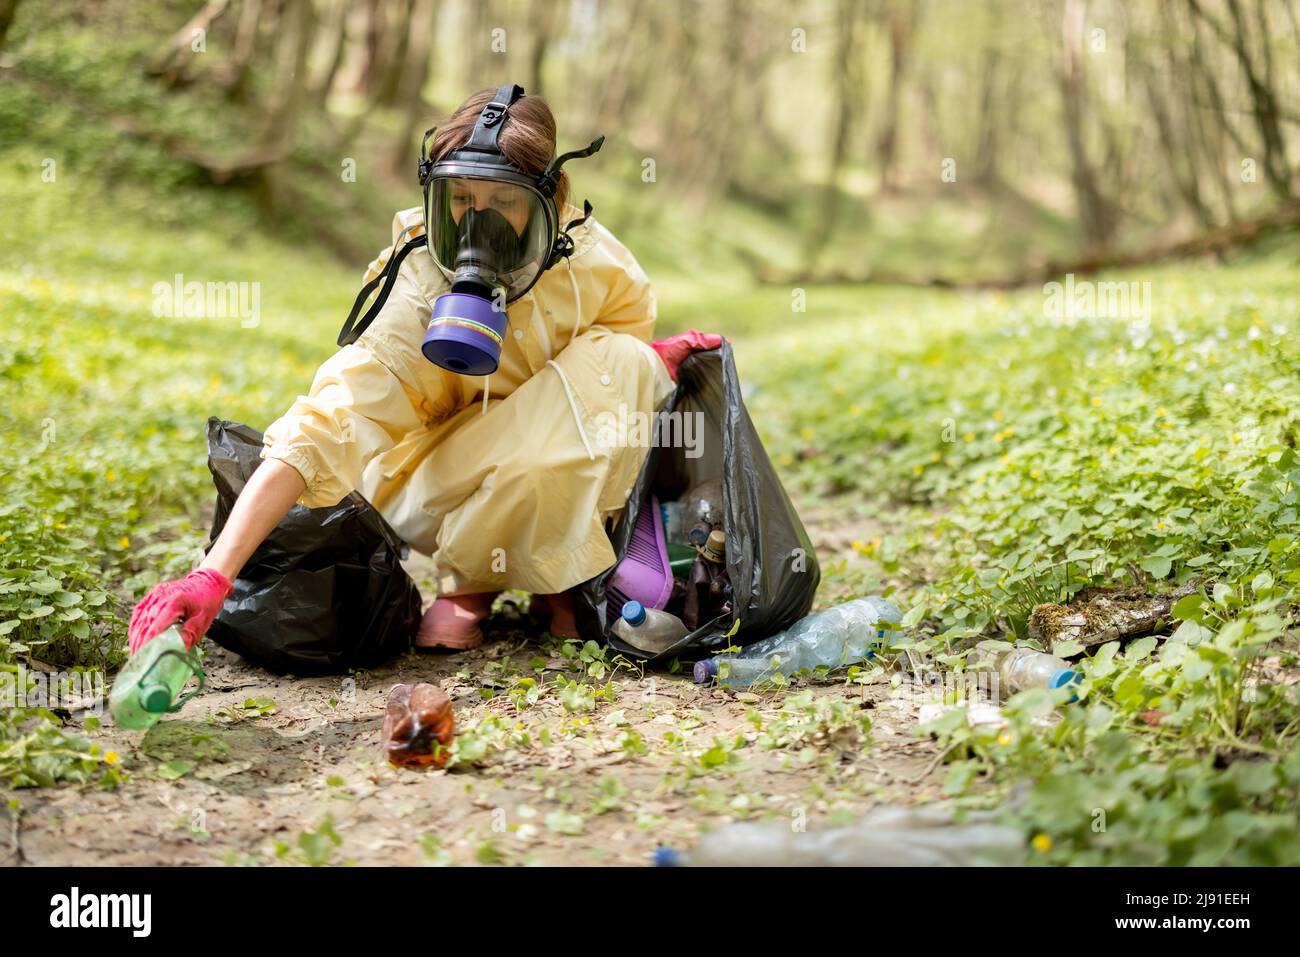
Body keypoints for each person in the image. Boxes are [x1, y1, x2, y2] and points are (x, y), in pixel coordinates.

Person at [127, 84, 718, 657]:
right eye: (460, 201)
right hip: (431, 494)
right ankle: (471, 584)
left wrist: (642, 363)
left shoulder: (589, 256)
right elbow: (330, 421)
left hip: (543, 468)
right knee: (582, 404)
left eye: (504, 203)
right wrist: (213, 576)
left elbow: (621, 341)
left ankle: (557, 573)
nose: (475, 228)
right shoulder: (418, 289)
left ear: (553, 200)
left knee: (622, 361)